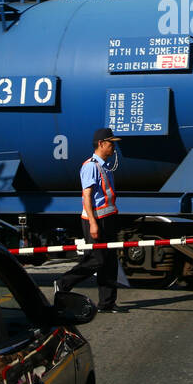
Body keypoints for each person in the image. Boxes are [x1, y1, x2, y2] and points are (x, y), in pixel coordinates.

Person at [55, 128, 125, 313]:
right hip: (96, 220)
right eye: (111, 143)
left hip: (108, 218)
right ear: (101, 144)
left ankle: (107, 304)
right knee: (96, 259)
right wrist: (93, 224)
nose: (114, 147)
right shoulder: (91, 166)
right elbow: (86, 197)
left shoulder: (104, 165)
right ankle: (63, 284)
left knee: (110, 261)